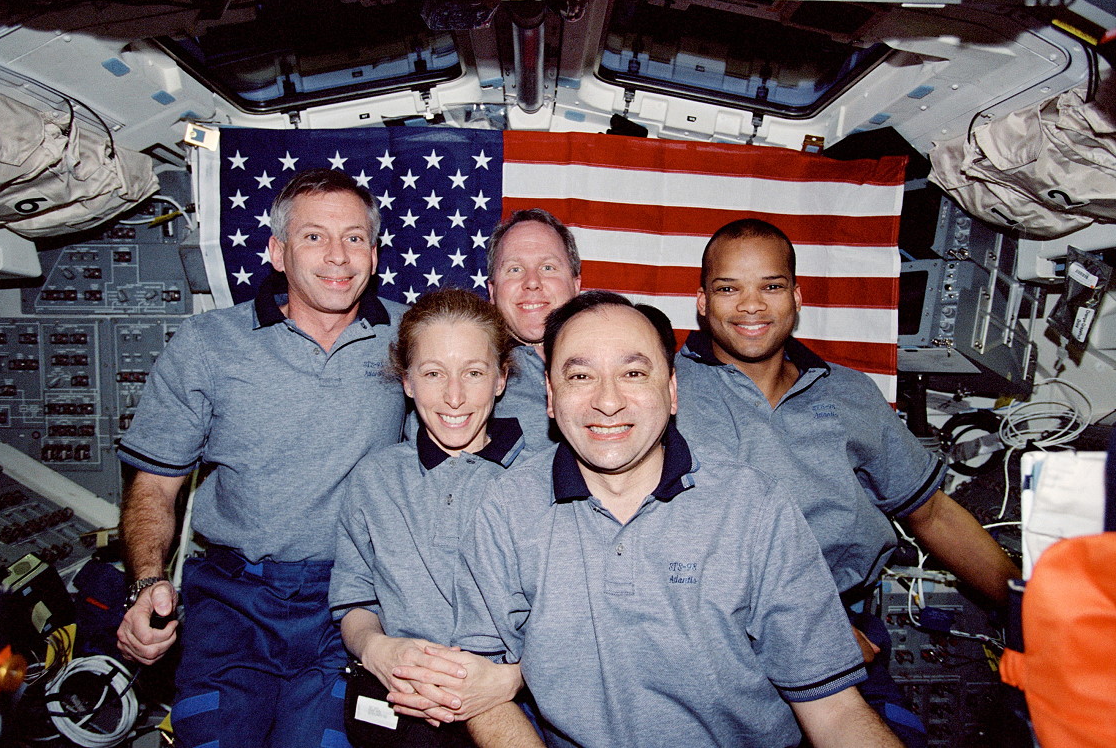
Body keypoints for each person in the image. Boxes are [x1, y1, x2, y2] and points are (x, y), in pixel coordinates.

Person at [453, 291, 904, 748]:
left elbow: (835, 709)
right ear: (551, 396)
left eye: (633, 373)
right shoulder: (507, 509)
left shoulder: (754, 508)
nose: (607, 401)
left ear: (671, 391)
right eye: (581, 375)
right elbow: (484, 691)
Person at [676, 218, 1022, 743]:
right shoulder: (662, 390)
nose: (751, 306)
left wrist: (1031, 615)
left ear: (796, 297)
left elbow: (930, 514)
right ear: (702, 301)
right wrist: (809, 633)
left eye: (770, 286)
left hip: (853, 628)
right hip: (712, 633)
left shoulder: (851, 393)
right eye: (729, 288)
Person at [114, 168, 407, 748]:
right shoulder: (207, 344)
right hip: (231, 605)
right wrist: (145, 583)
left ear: (374, 255)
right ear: (277, 251)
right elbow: (154, 488)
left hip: (348, 606)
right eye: (314, 236)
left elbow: (492, 390)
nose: (338, 256)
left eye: (355, 238)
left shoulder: (409, 338)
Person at [329, 288, 541, 747]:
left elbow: (572, 621)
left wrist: (512, 679)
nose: (454, 396)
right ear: (406, 381)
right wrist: (378, 649)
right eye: (432, 373)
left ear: (502, 378)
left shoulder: (542, 482)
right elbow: (354, 602)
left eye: (474, 372)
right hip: (400, 693)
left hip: (510, 697)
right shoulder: (376, 479)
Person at [486, 208, 582, 451]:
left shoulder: (621, 366)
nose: (531, 282)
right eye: (515, 269)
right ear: (492, 291)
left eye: (548, 268)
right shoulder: (464, 378)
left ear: (576, 284)